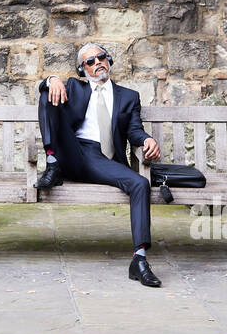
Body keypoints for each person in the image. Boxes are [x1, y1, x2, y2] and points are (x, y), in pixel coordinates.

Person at [35, 42, 165, 288]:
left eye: (101, 57)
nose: (97, 64)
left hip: (103, 160)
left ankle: (139, 260)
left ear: (109, 60)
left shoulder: (129, 96)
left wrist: (147, 139)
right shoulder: (74, 88)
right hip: (73, 151)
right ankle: (52, 162)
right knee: (47, 91)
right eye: (90, 62)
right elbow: (47, 93)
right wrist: (51, 79)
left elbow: (134, 130)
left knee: (139, 183)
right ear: (82, 70)